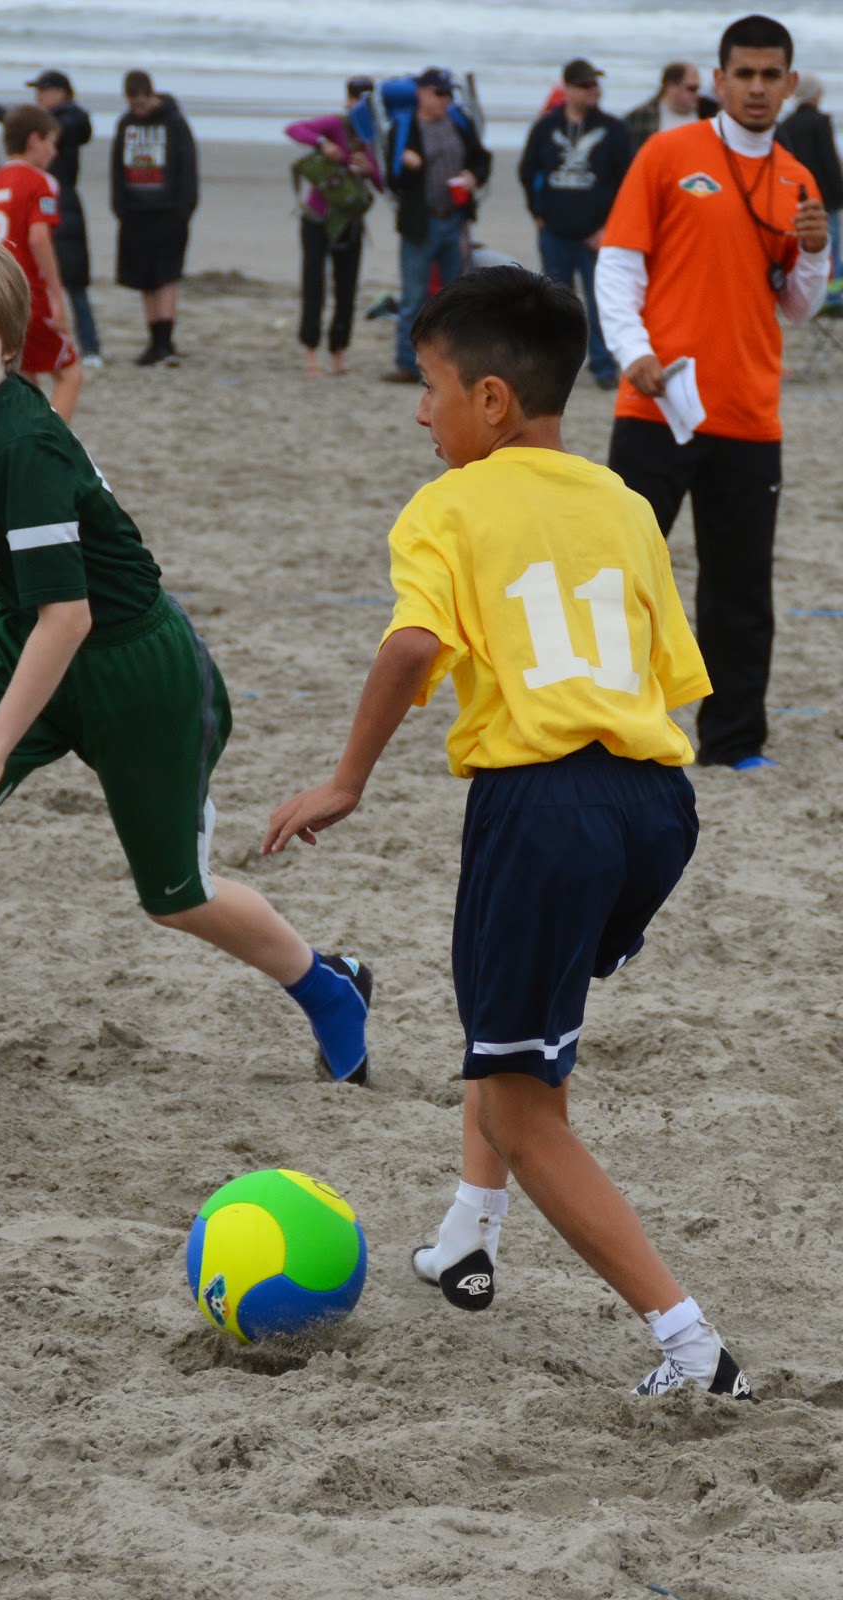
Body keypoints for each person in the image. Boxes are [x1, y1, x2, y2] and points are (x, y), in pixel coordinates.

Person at [264, 264, 751, 1400]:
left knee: (527, 1105)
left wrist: (347, 779)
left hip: (541, 808)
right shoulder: (626, 503)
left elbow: (408, 648)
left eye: (427, 388)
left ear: (489, 401)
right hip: (654, 808)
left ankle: (690, 1348)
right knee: (516, 1031)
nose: (417, 412)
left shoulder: (447, 504)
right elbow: (671, 675)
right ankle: (466, 1232)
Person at [0, 232, 372, 1100]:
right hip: (17, 641)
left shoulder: (25, 444)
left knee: (175, 898)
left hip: (130, 666)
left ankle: (329, 988)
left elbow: (69, 618)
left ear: (10, 340)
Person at [596, 13, 831, 770]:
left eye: (772, 76)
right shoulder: (668, 154)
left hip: (750, 414)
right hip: (657, 404)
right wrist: (632, 353)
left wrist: (818, 254)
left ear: (789, 85)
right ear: (719, 79)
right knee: (623, 577)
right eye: (745, 74)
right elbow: (619, 266)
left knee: (740, 592)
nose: (758, 88)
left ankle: (733, 742)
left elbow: (794, 303)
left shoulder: (798, 176)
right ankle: (605, 724)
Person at [0, 69, 104, 366]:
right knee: (62, 370)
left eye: (45, 90)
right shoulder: (37, 179)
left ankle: (92, 346)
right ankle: (88, 348)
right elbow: (37, 238)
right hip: (25, 279)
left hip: (56, 214)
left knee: (75, 280)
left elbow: (40, 126)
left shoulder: (72, 120)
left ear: (63, 91)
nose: (39, 96)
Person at [518, 58, 631, 390]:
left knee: (600, 304)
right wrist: (537, 213)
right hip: (554, 232)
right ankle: (556, 368)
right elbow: (527, 171)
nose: (592, 90)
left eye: (595, 84)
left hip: (596, 235)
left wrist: (609, 227)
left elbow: (627, 182)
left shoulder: (613, 130)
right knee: (556, 305)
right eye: (584, 85)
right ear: (566, 88)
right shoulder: (545, 127)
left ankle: (603, 365)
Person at [0, 104, 83, 423]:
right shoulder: (42, 181)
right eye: (51, 142)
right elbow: (38, 238)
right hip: (26, 292)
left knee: (22, 376)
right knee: (71, 374)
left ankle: (24, 439)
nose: (54, 151)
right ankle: (49, 448)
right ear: (34, 140)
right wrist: (56, 295)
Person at [383, 68, 493, 383]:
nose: (446, 100)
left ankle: (452, 365)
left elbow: (481, 158)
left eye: (449, 94)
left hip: (454, 221)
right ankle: (407, 364)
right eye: (440, 94)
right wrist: (407, 166)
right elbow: (391, 181)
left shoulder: (459, 121)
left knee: (455, 297)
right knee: (414, 296)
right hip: (421, 224)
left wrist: (473, 177)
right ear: (422, 93)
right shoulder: (403, 128)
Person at [285, 77, 384, 377]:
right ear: (348, 101)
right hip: (317, 218)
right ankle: (310, 350)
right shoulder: (334, 124)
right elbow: (294, 129)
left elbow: (383, 184)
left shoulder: (374, 136)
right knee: (314, 284)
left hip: (351, 222)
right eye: (355, 101)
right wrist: (322, 143)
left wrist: (369, 170)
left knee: (347, 287)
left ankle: (339, 352)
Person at [110, 70, 198, 367]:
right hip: (135, 213)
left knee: (166, 276)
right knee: (144, 279)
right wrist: (120, 206)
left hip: (169, 212)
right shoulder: (126, 123)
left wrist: (184, 208)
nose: (140, 111)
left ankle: (165, 340)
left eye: (143, 104)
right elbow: (116, 166)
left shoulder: (174, 122)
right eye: (134, 105)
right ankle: (153, 340)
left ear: (152, 94)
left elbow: (188, 166)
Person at [777, 75, 843, 309]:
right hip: (825, 194)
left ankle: (814, 295)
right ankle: (832, 296)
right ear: (815, 95)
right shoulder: (820, 122)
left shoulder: (786, 124)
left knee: (803, 244)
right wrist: (838, 191)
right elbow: (829, 159)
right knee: (830, 243)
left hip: (797, 193)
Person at [624, 61, 718, 153]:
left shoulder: (710, 113)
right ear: (670, 87)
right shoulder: (640, 118)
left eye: (698, 89)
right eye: (691, 89)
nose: (697, 94)